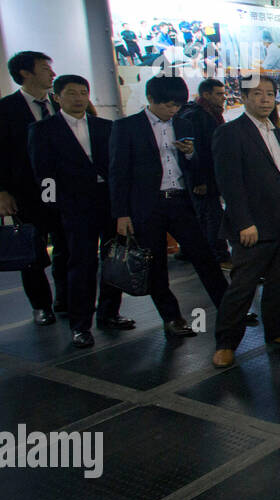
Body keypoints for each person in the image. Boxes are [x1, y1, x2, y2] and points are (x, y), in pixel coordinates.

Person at [110, 74, 229, 338]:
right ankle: (172, 317)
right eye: (167, 106)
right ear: (151, 99)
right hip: (147, 205)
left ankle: (230, 307)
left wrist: (188, 153)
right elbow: (118, 173)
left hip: (180, 201)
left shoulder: (184, 123)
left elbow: (195, 163)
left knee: (205, 256)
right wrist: (121, 214)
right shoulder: (127, 127)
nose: (173, 110)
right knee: (156, 265)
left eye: (177, 105)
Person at [208, 75, 280, 367]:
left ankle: (277, 331)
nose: (265, 99)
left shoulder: (278, 131)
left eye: (270, 94)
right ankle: (226, 343)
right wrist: (243, 223)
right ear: (244, 98)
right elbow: (229, 182)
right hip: (254, 225)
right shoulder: (230, 133)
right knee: (243, 285)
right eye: (258, 94)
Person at [28, 75, 135, 348]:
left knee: (114, 259)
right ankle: (80, 325)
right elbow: (44, 175)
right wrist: (53, 208)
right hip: (74, 206)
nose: (78, 98)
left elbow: (120, 168)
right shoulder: (43, 130)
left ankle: (110, 312)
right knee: (82, 265)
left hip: (108, 202)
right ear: (57, 97)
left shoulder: (105, 127)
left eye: (83, 92)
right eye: (71, 93)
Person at [1, 51, 68, 325]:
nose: (52, 74)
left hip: (63, 190)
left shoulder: (58, 103)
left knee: (68, 245)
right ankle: (41, 305)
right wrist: (2, 191)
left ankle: (65, 298)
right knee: (32, 251)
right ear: (25, 73)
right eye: (44, 69)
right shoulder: (6, 109)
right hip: (27, 192)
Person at [176, 78, 230, 268]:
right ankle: (218, 255)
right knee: (211, 216)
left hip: (208, 175)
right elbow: (197, 151)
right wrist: (199, 180)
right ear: (206, 94)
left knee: (207, 215)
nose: (223, 98)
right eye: (219, 94)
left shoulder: (208, 113)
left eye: (223, 93)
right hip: (203, 177)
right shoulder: (198, 116)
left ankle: (206, 252)